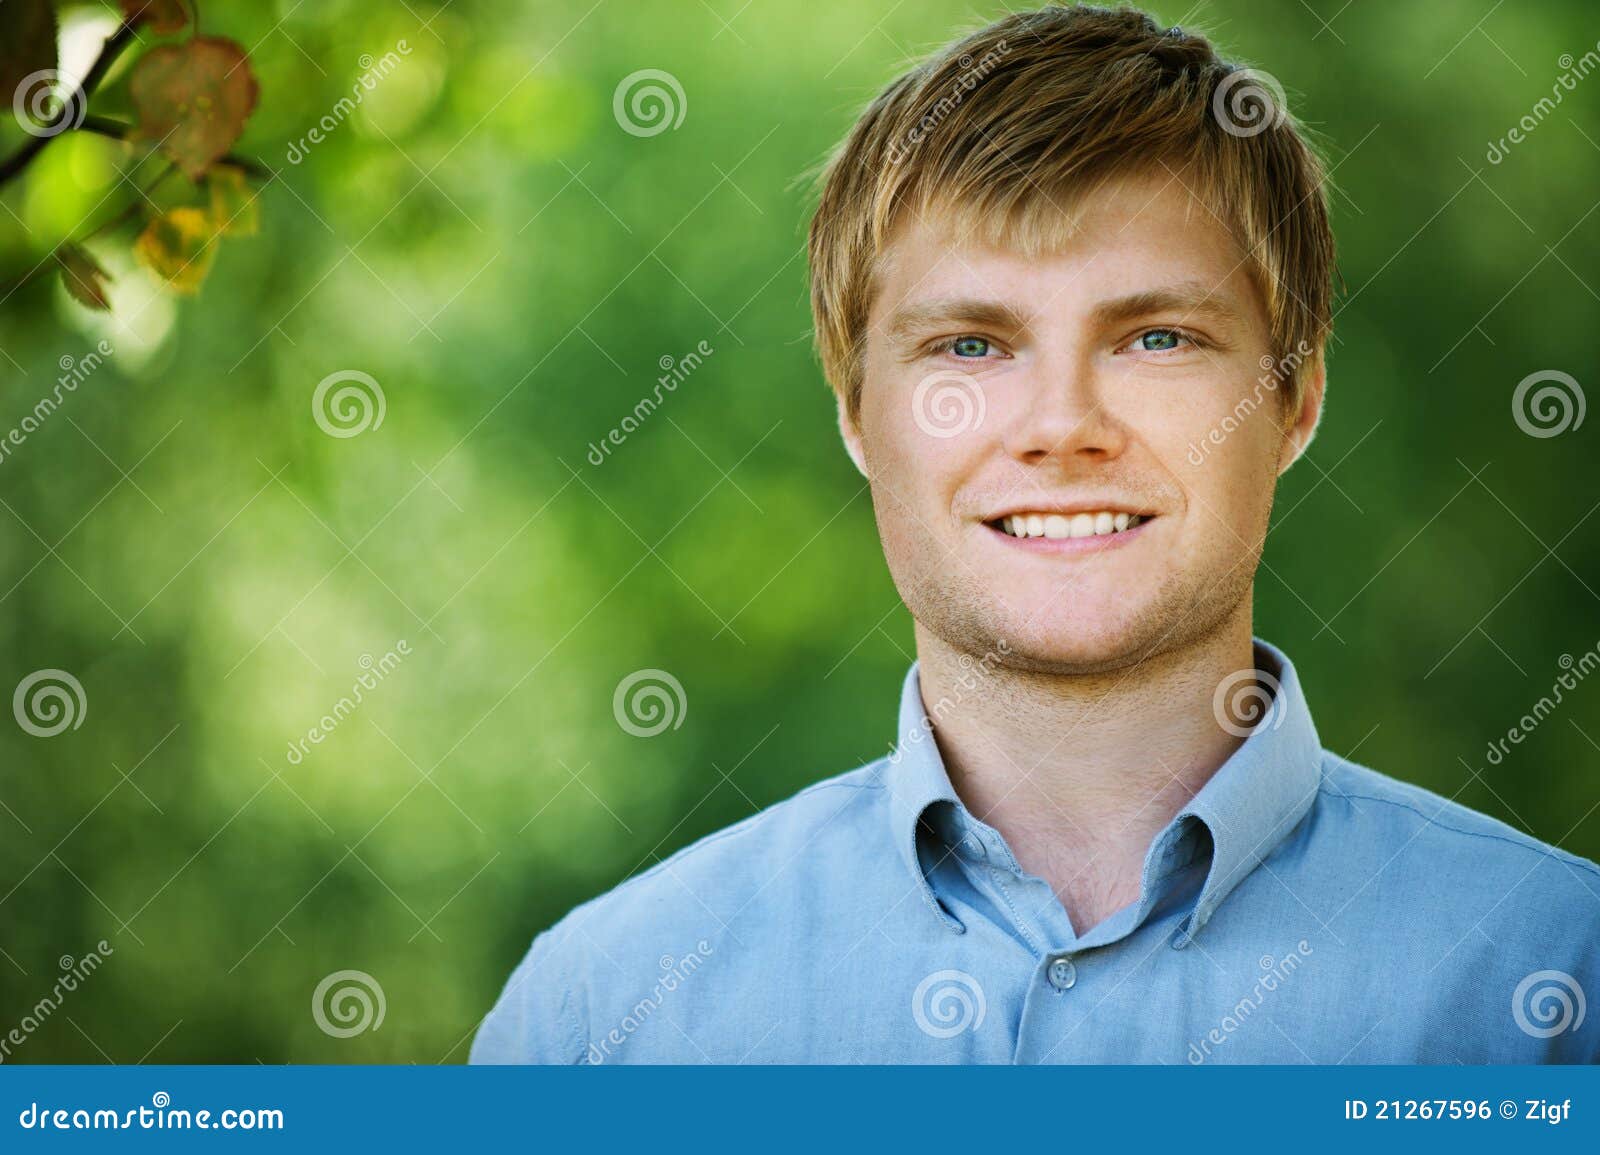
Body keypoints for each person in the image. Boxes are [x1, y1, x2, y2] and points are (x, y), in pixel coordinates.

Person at [473, 4, 1600, 1064]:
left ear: (1296, 399)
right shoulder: (598, 1019)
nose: (1062, 427)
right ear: (855, 413)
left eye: (1156, 338)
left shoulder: (1555, 977)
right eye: (969, 346)